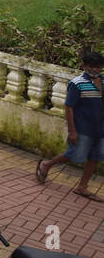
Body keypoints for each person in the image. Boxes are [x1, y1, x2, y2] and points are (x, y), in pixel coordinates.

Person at [36, 50, 104, 201]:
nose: (95, 70)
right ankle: (47, 164)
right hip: (83, 128)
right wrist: (72, 131)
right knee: (73, 154)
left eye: (99, 67)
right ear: (84, 66)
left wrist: (100, 86)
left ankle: (82, 187)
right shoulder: (77, 83)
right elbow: (69, 107)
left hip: (100, 128)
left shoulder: (102, 81)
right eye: (92, 66)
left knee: (95, 157)